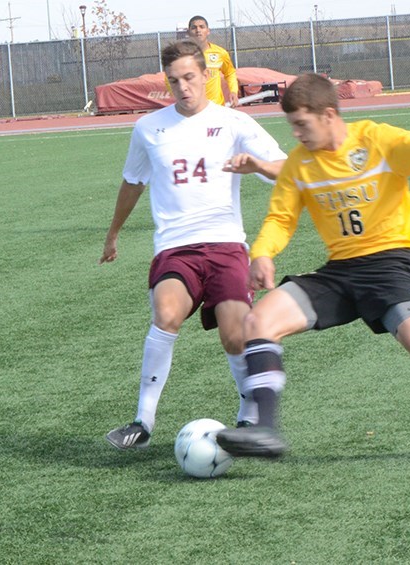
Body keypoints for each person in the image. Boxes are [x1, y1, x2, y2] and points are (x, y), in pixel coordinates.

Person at [215, 73, 410, 462]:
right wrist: (262, 253)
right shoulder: (299, 163)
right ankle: (264, 427)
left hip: (393, 263)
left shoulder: (375, 140)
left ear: (329, 115)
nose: (296, 134)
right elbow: (281, 218)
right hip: (340, 271)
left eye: (301, 124)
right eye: (292, 125)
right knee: (258, 321)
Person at [102, 40, 286, 450]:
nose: (183, 87)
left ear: (206, 75)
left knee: (235, 335)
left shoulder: (234, 123)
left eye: (189, 77)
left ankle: (248, 419)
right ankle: (143, 422)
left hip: (226, 246)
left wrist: (256, 164)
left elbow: (285, 168)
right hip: (176, 247)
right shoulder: (149, 128)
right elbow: (132, 182)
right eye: (174, 80)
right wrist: (113, 234)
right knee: (166, 313)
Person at [184, 15, 239, 107]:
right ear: (188, 32)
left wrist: (233, 91)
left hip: (216, 106)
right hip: (192, 107)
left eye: (202, 27)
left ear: (208, 31)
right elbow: (170, 78)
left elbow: (230, 73)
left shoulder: (220, 53)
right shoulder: (182, 55)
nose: (198, 30)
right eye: (194, 28)